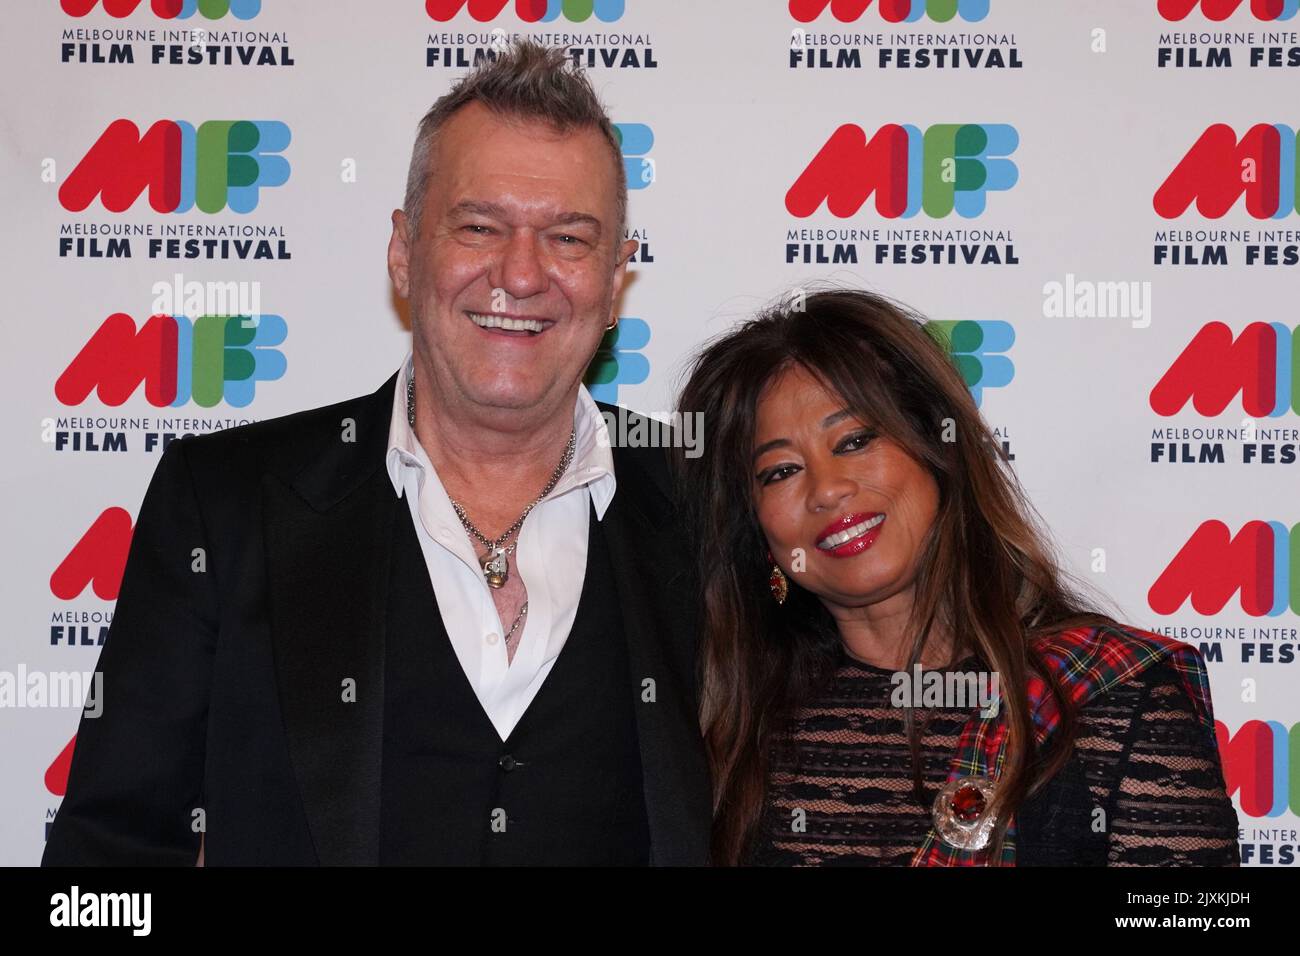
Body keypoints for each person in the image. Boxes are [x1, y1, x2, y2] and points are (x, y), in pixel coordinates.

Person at [42, 39, 710, 866]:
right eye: (478, 226)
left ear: (615, 280)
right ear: (404, 251)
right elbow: (107, 856)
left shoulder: (704, 503)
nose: (522, 273)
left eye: (570, 239)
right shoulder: (224, 501)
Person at [674, 287, 1240, 867]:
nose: (827, 489)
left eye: (856, 440)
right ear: (757, 530)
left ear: (939, 453)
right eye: (782, 471)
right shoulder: (727, 733)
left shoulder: (1111, 699)